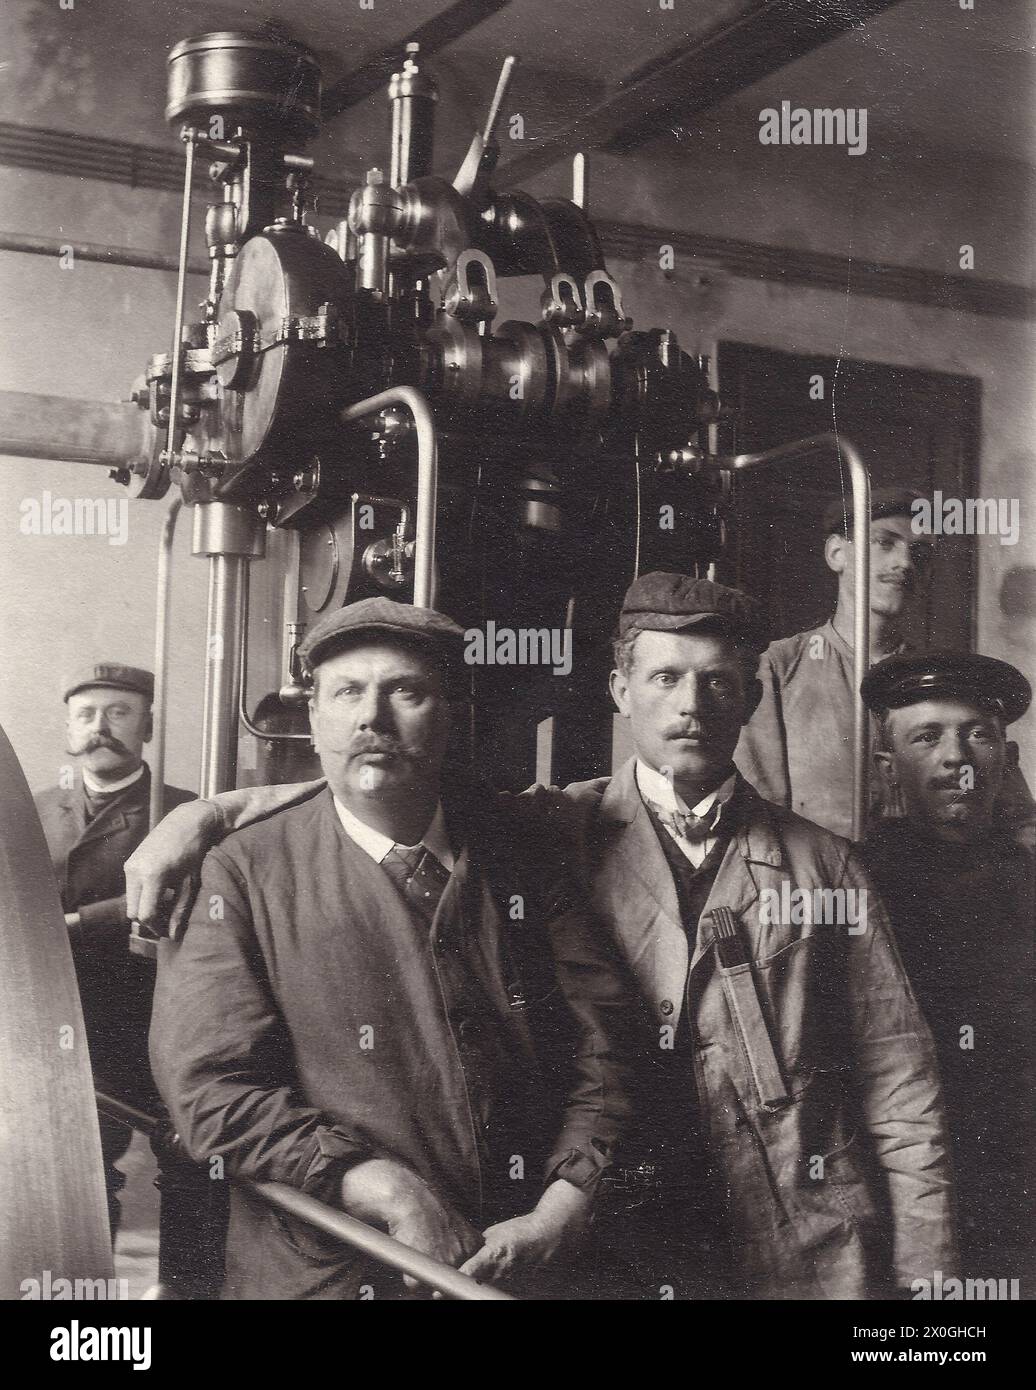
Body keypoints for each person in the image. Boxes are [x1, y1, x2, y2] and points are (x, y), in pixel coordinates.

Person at [130, 578, 957, 1300]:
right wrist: (206, 813)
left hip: (792, 1230)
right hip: (620, 1237)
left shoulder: (828, 870)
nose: (690, 705)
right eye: (664, 677)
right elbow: (381, 772)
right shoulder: (552, 826)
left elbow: (900, 1082)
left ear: (749, 699)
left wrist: (930, 1285)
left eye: (718, 683)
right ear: (619, 690)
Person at [148, 599, 634, 1299]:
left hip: (519, 1266)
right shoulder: (240, 873)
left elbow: (608, 1047)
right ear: (315, 719)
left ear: (453, 719)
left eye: (406, 691)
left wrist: (563, 1206)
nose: (372, 718)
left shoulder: (522, 854)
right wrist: (386, 1189)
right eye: (348, 692)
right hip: (327, 1274)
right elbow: (209, 1089)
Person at [861, 651, 1034, 1280]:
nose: (956, 755)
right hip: (896, 1193)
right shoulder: (850, 885)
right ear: (888, 768)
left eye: (978, 734)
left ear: (1007, 761)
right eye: (927, 736)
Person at [33, 663, 194, 1235]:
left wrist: (68, 925)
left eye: (119, 713)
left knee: (187, 1157)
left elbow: (175, 893)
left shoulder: (183, 812)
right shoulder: (31, 810)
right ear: (69, 728)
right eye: (87, 714)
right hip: (59, 1016)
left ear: (147, 724)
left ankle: (181, 1287)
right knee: (76, 1164)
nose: (100, 727)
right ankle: (81, 1287)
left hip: (149, 1011)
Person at [735, 487, 931, 839]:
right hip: (817, 884)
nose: (906, 562)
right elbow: (760, 816)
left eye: (918, 551)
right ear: (837, 553)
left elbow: (1014, 817)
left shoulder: (938, 677)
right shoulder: (778, 669)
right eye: (885, 543)